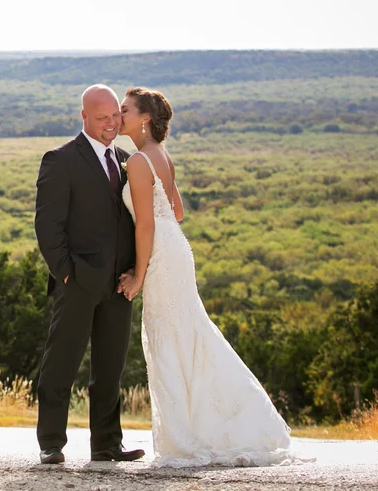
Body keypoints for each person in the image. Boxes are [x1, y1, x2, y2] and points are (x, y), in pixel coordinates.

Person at [116, 86, 296, 467]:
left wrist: (138, 275)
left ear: (144, 118)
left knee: (169, 338)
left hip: (161, 254)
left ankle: (188, 435)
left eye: (126, 109)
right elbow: (176, 211)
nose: (120, 114)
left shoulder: (136, 162)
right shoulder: (161, 156)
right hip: (177, 248)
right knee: (189, 334)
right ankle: (214, 423)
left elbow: (144, 226)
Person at [34, 84, 145, 464]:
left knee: (110, 370)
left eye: (116, 116)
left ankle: (107, 445)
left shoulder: (128, 159)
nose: (111, 124)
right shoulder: (59, 160)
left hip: (119, 284)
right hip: (78, 282)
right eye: (102, 118)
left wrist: (134, 271)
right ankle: (51, 443)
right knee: (61, 364)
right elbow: (48, 228)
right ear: (84, 117)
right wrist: (67, 275)